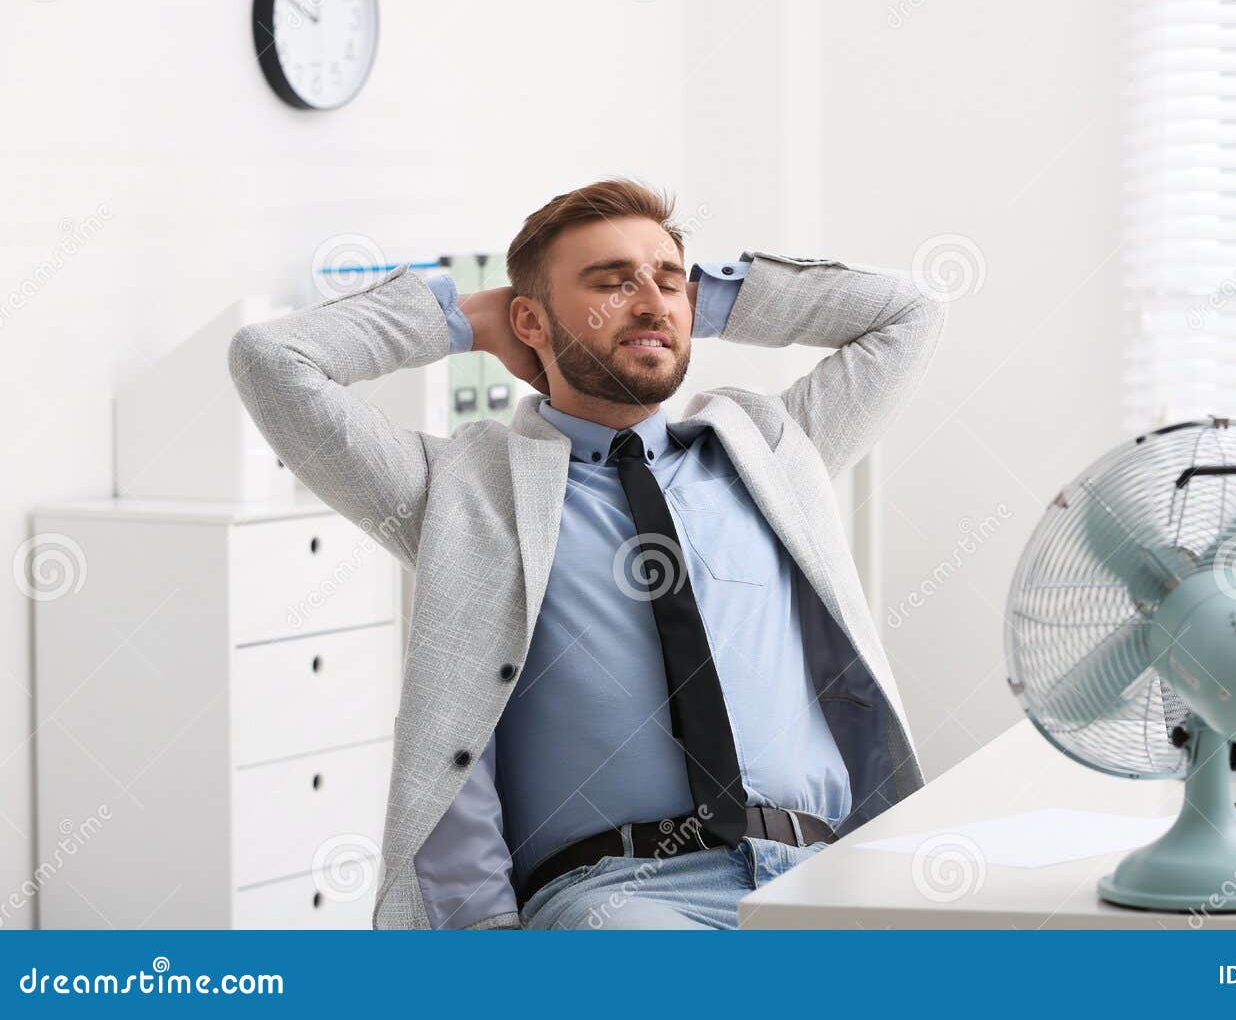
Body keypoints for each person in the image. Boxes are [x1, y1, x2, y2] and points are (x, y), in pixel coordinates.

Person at [228, 179, 946, 928]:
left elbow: (908, 314)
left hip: (823, 872)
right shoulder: (464, 494)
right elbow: (271, 360)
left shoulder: (770, 450)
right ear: (529, 320)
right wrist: (465, 320)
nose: (650, 301)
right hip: (623, 898)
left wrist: (713, 298)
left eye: (669, 281)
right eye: (611, 282)